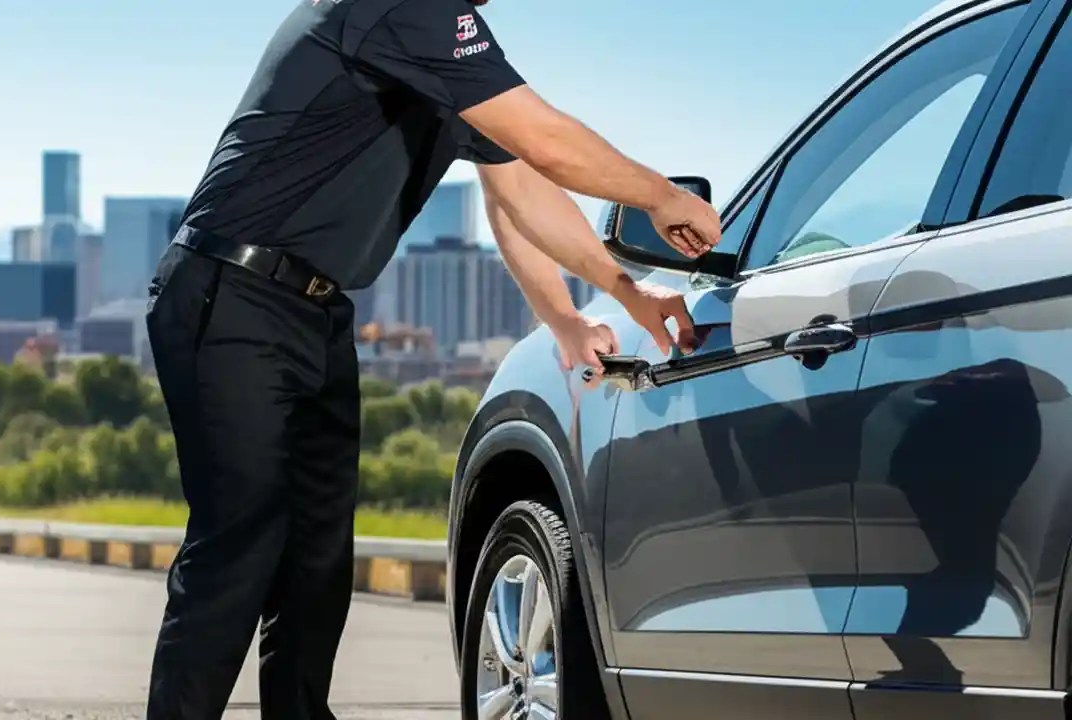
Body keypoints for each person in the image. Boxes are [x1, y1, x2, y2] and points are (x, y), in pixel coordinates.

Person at [144, 0, 721, 717]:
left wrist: (594, 307)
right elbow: (545, 141)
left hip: (315, 312)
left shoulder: (448, 45)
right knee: (240, 542)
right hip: (232, 292)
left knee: (316, 560)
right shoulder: (408, 6)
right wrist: (661, 196)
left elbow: (518, 191)